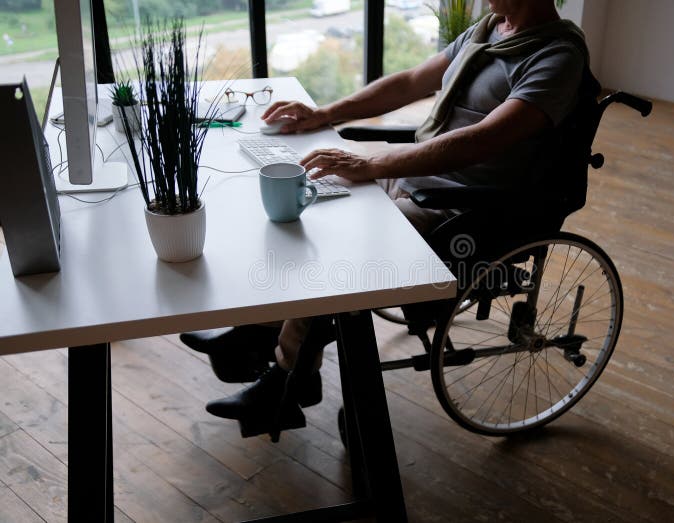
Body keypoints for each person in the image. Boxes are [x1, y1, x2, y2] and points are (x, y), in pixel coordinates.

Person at [182, 0, 591, 437]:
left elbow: (485, 140)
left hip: (464, 203)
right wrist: (325, 114)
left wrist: (375, 165)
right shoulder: (489, 30)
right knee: (302, 201)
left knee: (339, 246)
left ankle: (289, 379)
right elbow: (410, 82)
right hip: (415, 174)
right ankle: (258, 333)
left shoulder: (556, 56)